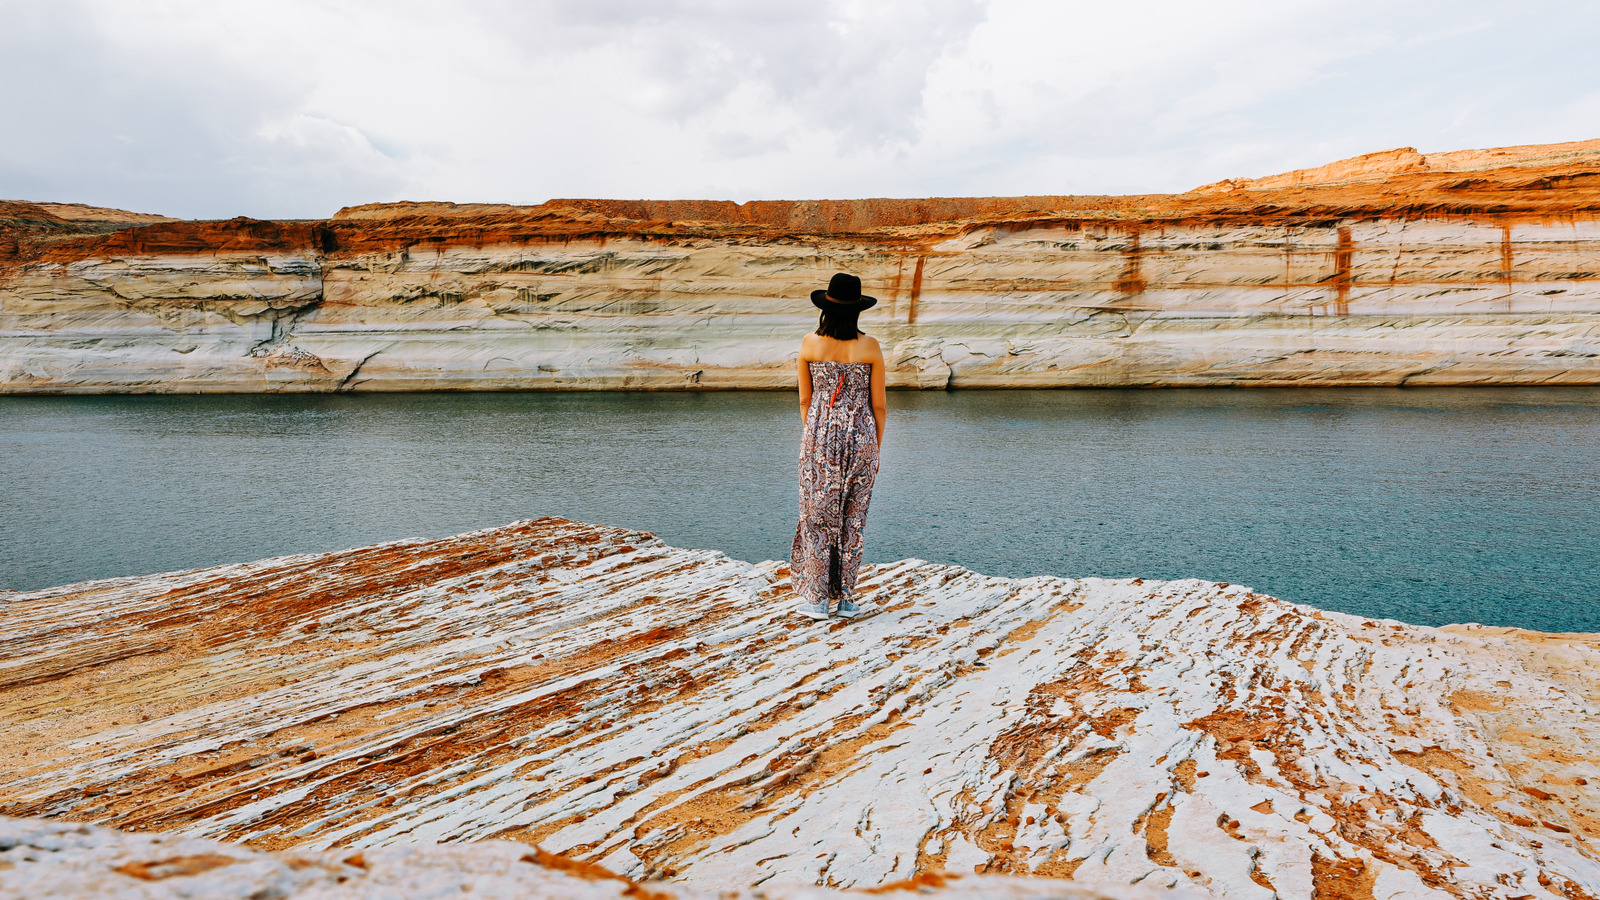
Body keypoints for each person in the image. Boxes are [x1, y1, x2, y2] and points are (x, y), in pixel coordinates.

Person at [791, 272, 887, 621]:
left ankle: (817, 600)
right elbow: (879, 407)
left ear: (826, 307)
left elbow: (805, 400)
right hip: (862, 438)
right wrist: (875, 449)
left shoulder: (809, 344)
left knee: (816, 517)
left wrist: (816, 436)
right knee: (853, 519)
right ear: (857, 309)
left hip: (818, 438)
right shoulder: (870, 346)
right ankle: (846, 600)